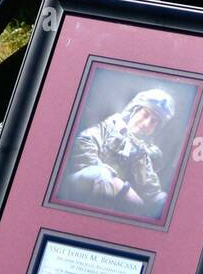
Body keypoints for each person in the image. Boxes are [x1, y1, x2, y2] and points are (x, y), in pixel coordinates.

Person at [62, 87, 175, 217]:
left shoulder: (142, 153)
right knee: (100, 174)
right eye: (145, 114)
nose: (146, 123)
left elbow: (152, 191)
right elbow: (84, 145)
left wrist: (166, 204)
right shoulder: (111, 126)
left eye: (154, 121)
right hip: (78, 192)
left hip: (109, 206)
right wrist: (120, 186)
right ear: (134, 110)